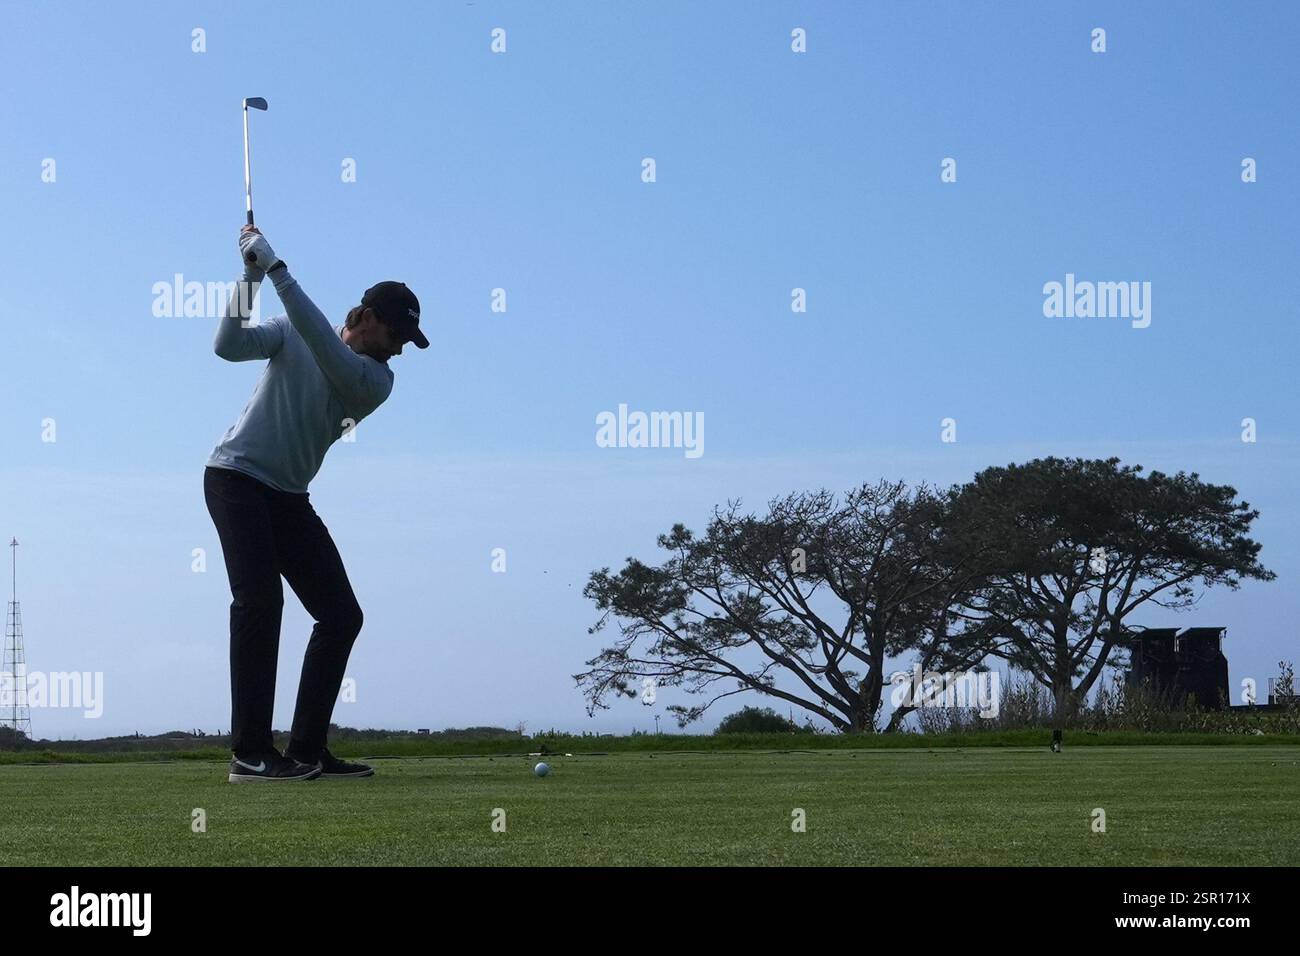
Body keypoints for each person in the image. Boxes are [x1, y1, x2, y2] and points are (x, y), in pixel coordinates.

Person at [204, 225, 427, 782]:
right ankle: (250, 753)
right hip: (235, 479)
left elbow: (328, 352)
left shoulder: (375, 380)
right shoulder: (293, 329)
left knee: (341, 615)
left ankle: (306, 750)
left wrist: (279, 271)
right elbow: (227, 346)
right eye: (398, 333)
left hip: (287, 498)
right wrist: (251, 277)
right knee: (260, 602)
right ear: (368, 317)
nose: (402, 346)